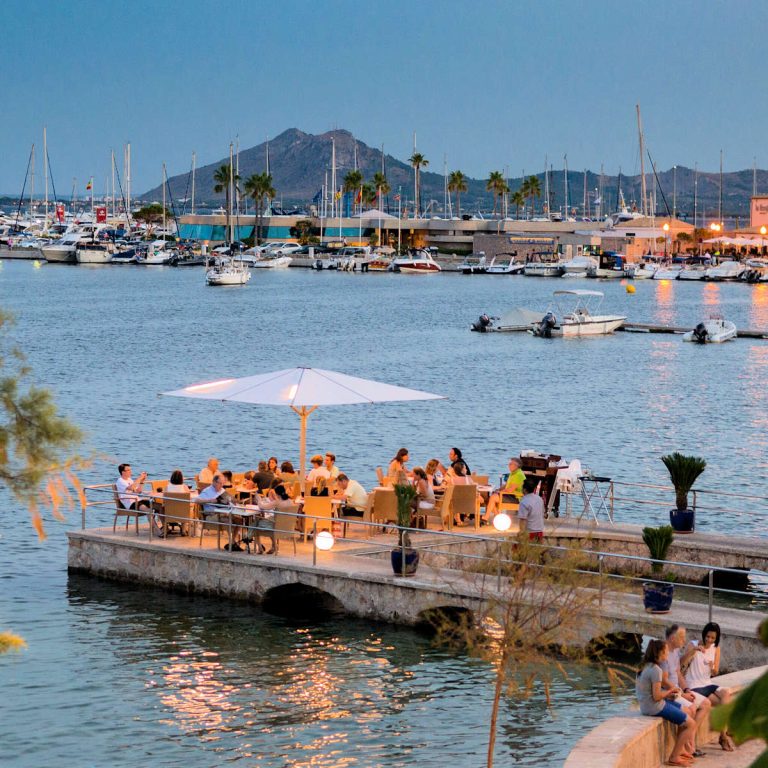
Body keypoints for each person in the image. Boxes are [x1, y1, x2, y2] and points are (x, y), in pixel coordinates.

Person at [636, 639, 696, 766]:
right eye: (665, 652)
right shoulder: (656, 670)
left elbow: (651, 694)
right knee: (691, 724)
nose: (667, 655)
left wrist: (669, 694)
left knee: (687, 711)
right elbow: (657, 696)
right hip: (654, 707)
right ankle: (674, 757)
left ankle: (680, 750)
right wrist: (670, 692)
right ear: (658, 653)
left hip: (647, 705)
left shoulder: (644, 666)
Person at [661, 625, 711, 758]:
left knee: (706, 703)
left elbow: (678, 673)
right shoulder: (663, 653)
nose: (684, 640)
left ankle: (689, 739)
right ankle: (689, 747)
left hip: (679, 690)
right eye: (681, 637)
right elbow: (664, 682)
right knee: (692, 708)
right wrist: (682, 694)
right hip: (670, 693)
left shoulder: (675, 651)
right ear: (672, 638)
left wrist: (687, 690)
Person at [684, 622, 735, 750]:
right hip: (694, 685)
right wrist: (694, 651)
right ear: (704, 634)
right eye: (707, 636)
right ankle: (723, 737)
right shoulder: (693, 644)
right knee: (724, 704)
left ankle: (722, 736)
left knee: (726, 695)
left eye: (712, 638)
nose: (709, 640)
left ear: (716, 639)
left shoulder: (716, 648)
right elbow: (682, 664)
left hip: (707, 683)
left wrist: (712, 668)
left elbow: (715, 672)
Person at [194, 474, 241, 551]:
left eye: (223, 483)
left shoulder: (222, 490)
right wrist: (209, 500)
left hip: (224, 513)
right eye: (220, 483)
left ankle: (232, 542)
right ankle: (232, 543)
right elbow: (196, 500)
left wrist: (234, 501)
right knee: (228, 520)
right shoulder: (207, 491)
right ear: (214, 482)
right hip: (211, 515)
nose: (221, 485)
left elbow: (231, 500)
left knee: (239, 520)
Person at [484, 457, 526, 523]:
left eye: (510, 464)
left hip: (516, 498)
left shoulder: (519, 475)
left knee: (493, 497)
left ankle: (486, 517)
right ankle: (497, 516)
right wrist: (498, 489)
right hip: (509, 495)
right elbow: (506, 485)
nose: (508, 465)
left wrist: (499, 492)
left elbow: (510, 490)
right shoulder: (513, 473)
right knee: (489, 498)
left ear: (516, 466)